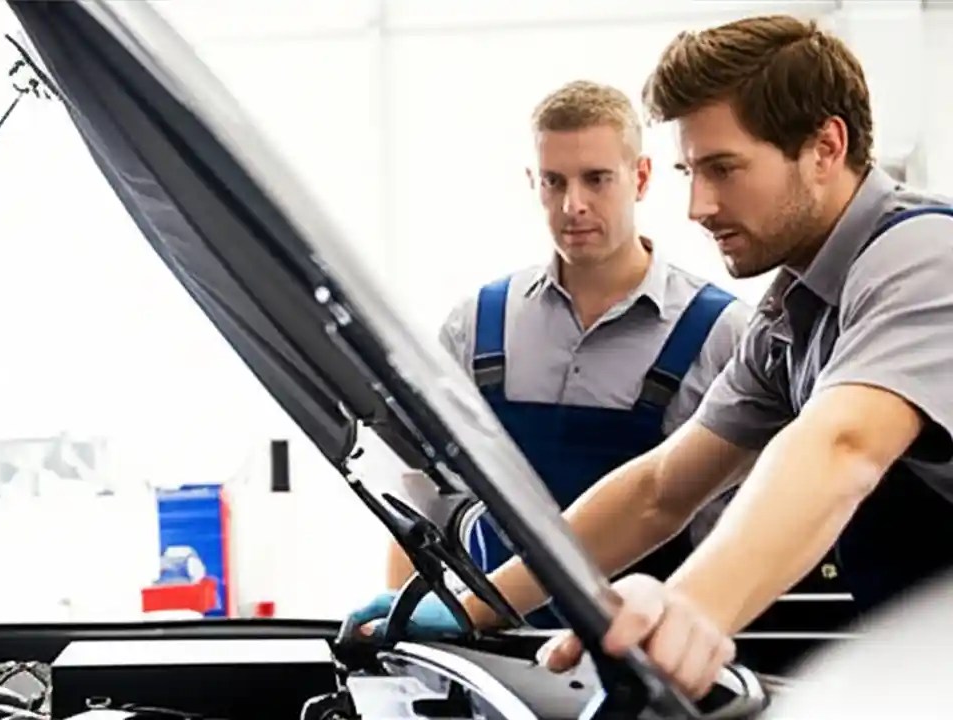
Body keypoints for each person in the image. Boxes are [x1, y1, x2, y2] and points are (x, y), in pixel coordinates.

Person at [363, 14, 953, 702]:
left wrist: (690, 612)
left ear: (826, 145)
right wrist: (482, 601)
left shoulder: (922, 258)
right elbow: (660, 491)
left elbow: (842, 445)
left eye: (724, 169)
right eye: (690, 171)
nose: (699, 205)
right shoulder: (792, 314)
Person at [375, 80, 754, 629]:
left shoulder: (724, 335)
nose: (573, 204)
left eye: (596, 179)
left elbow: (738, 532)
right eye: (554, 182)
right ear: (534, 182)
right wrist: (403, 628)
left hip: (647, 667)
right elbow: (419, 508)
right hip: (496, 656)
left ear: (640, 177)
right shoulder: (477, 328)